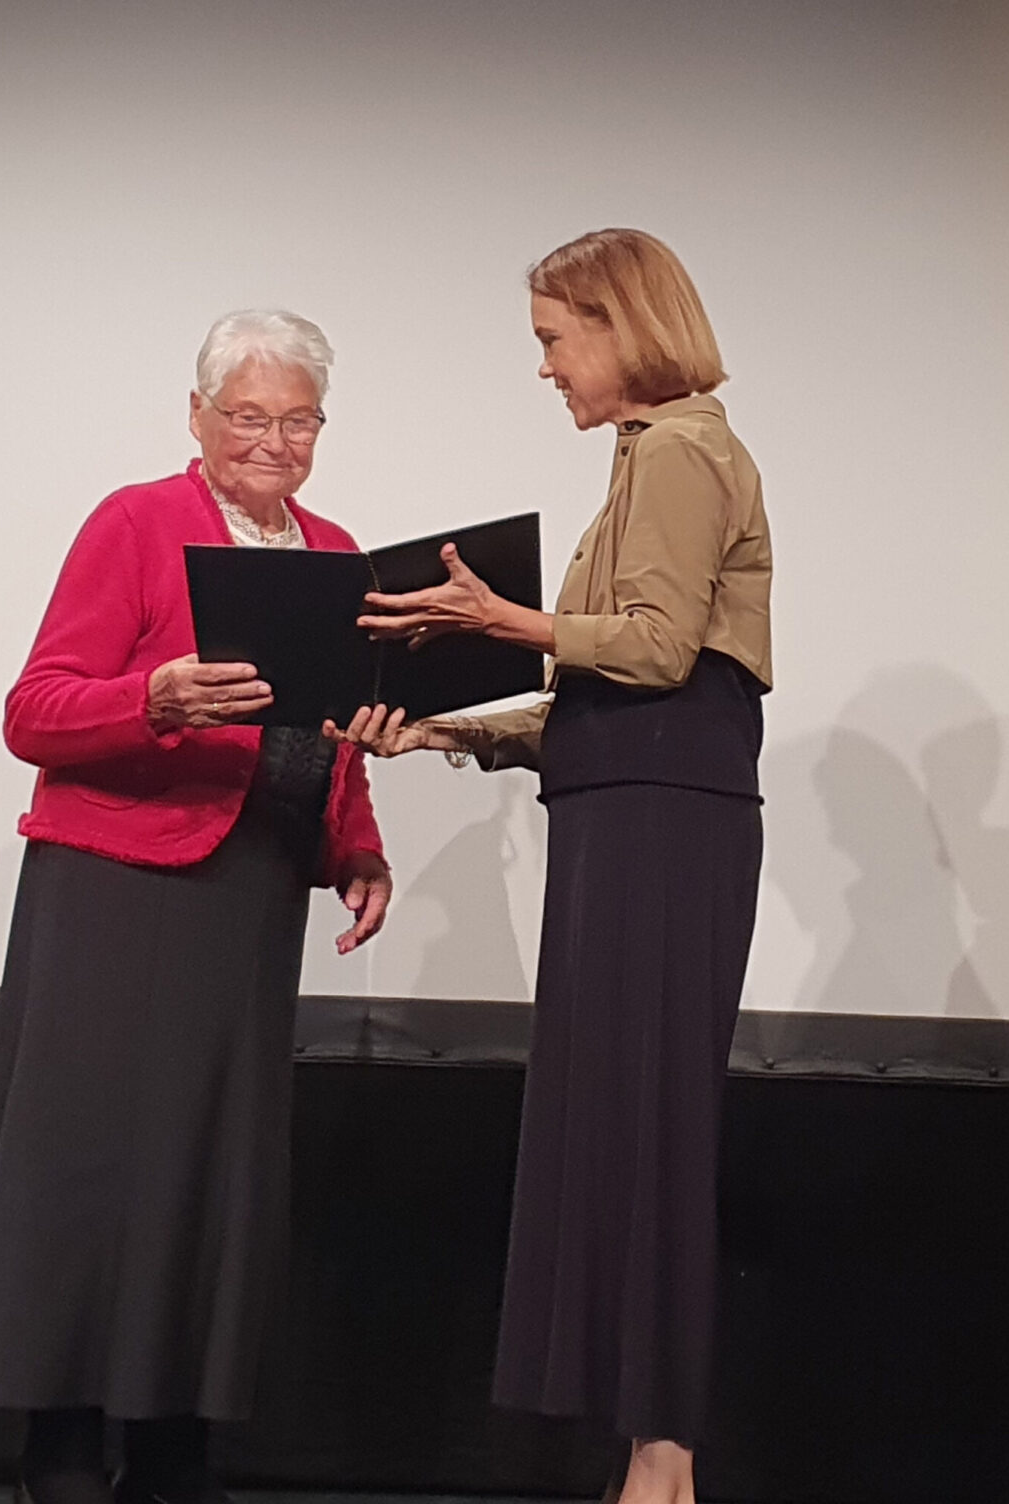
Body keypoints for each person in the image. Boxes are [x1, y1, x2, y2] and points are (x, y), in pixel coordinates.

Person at [327, 229, 771, 1504]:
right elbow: (596, 690)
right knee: (618, 1125)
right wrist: (444, 727)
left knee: (650, 1129)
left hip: (661, 823)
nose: (545, 368)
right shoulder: (646, 462)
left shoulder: (684, 447)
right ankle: (654, 1455)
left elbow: (650, 647)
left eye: (552, 338)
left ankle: (664, 1460)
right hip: (623, 806)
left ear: (623, 327)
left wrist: (494, 621)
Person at [0, 310, 393, 1504]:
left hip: (247, 897)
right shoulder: (135, 520)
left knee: (211, 1174)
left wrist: (356, 844)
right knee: (90, 1166)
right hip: (118, 888)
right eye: (248, 415)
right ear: (197, 416)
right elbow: (34, 708)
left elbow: (329, 728)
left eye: (297, 419)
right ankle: (65, 1438)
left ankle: (176, 1440)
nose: (274, 441)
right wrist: (156, 697)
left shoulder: (339, 549)